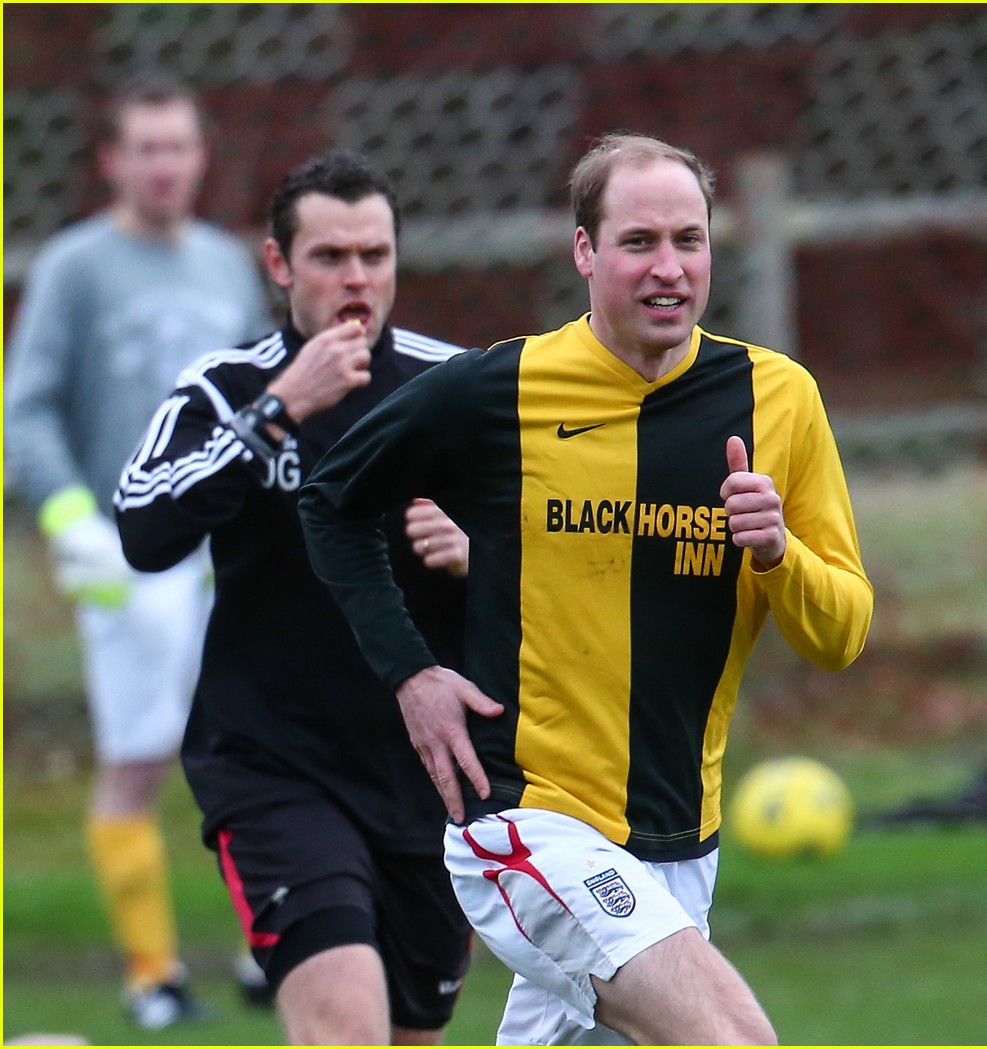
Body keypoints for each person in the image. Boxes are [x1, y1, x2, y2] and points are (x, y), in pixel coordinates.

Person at [299, 132, 875, 1045]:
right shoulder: (499, 389)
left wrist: (777, 555)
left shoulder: (780, 399)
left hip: (681, 844)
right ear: (584, 251)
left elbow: (841, 634)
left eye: (689, 240)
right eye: (638, 241)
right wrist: (412, 674)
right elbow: (331, 501)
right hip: (526, 821)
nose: (668, 268)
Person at [113, 148, 474, 1046]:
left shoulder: (461, 389)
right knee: (345, 1021)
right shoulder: (227, 389)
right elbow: (145, 526)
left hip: (429, 776)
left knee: (409, 1033)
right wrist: (279, 409)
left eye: (375, 256)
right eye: (329, 257)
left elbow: (564, 549)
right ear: (279, 265)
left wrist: (482, 553)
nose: (357, 278)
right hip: (274, 767)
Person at [4, 71, 271, 1028]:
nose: (165, 166)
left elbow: (263, 399)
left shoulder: (227, 265)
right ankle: (152, 971)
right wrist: (74, 520)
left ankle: (267, 944)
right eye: (145, 148)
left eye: (180, 146)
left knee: (253, 741)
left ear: (202, 155)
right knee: (140, 757)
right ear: (113, 160)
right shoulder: (77, 267)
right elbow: (24, 408)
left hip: (224, 554)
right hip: (123, 562)